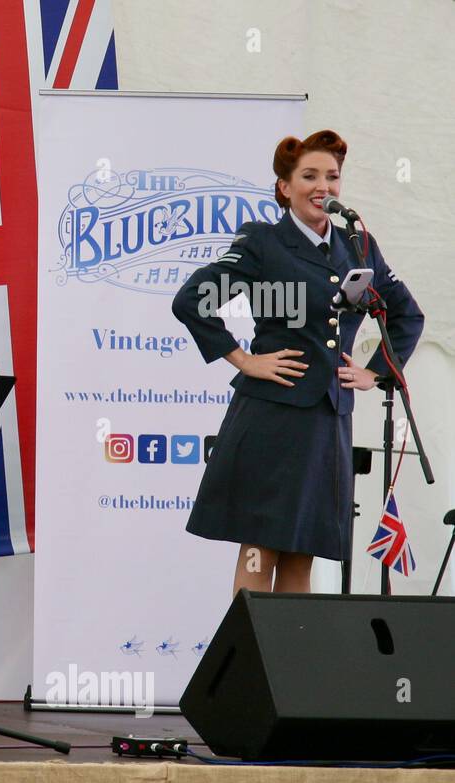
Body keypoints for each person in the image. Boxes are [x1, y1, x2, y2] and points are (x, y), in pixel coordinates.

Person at [173, 130, 422, 596]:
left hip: (328, 420)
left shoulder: (359, 245)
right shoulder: (263, 241)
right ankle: (247, 664)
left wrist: (377, 372)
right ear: (285, 186)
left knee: (300, 552)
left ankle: (289, 665)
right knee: (260, 547)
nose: (322, 186)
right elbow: (192, 300)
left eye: (332, 176)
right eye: (309, 175)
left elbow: (406, 314)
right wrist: (244, 359)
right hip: (272, 416)